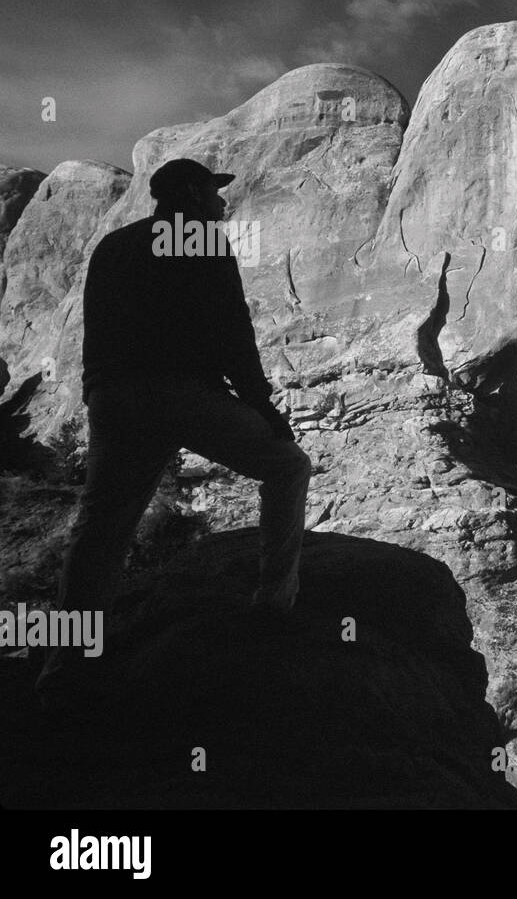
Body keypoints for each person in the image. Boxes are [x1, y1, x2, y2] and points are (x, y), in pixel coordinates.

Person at [35, 157, 311, 705]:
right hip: (183, 394)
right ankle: (273, 602)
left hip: (114, 396)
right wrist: (262, 406)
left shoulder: (113, 246)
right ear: (190, 191)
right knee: (288, 466)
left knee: (102, 527)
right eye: (214, 191)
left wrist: (98, 393)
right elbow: (234, 330)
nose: (222, 202)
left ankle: (65, 666)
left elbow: (99, 331)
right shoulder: (203, 239)